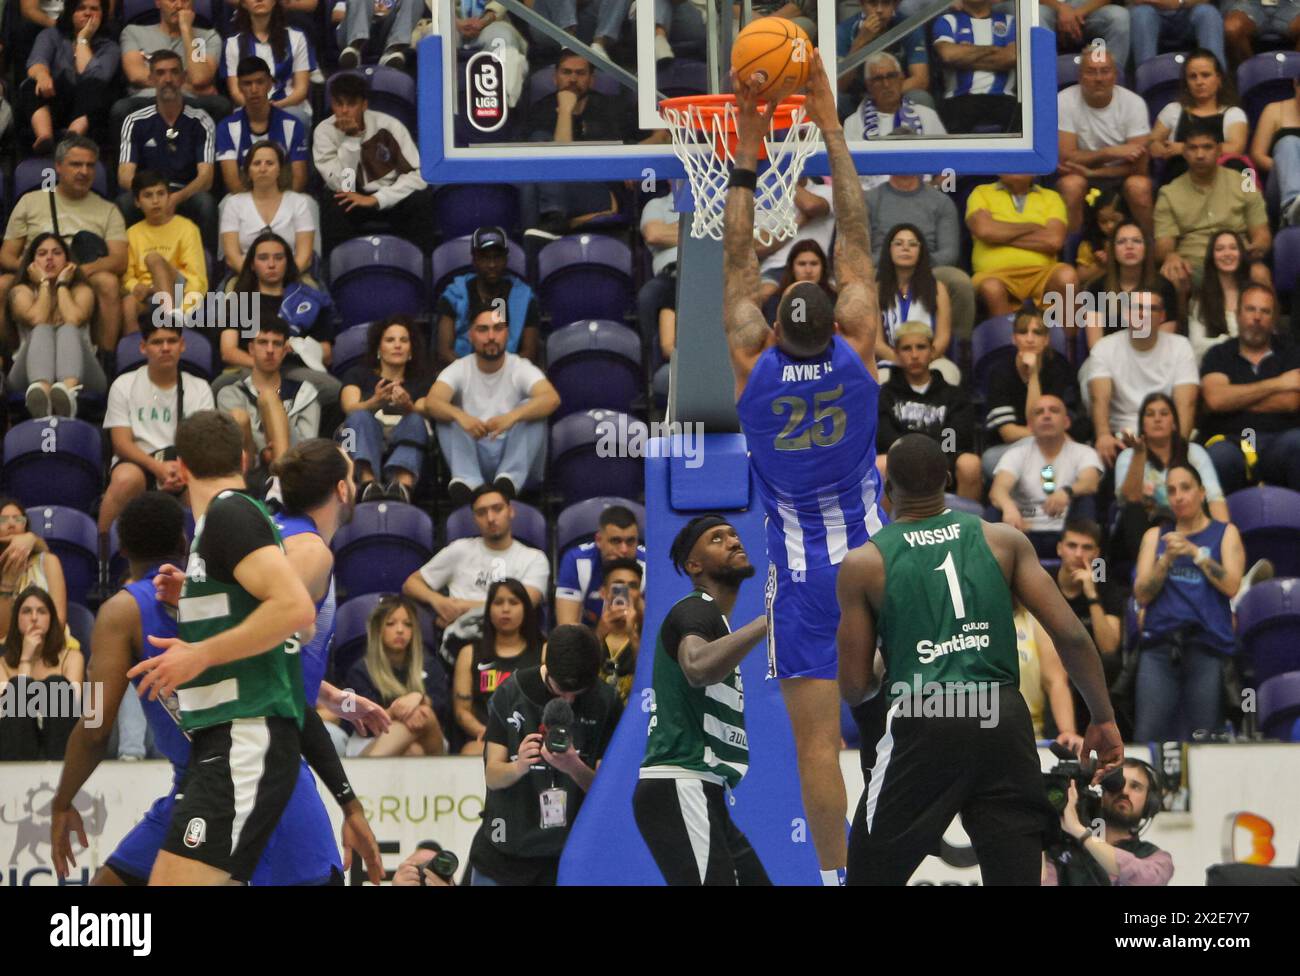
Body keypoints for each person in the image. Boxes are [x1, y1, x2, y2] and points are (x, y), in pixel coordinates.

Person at [52, 484, 386, 885]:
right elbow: (289, 687)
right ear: (183, 541)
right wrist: (349, 794)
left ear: (121, 550)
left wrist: (62, 800)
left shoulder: (121, 613)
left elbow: (93, 726)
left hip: (247, 778)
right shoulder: (237, 595)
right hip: (218, 781)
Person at [723, 59, 884, 885]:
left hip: (803, 576)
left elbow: (736, 264)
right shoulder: (859, 352)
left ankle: (831, 880)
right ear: (842, 323)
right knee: (913, 717)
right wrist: (828, 126)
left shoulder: (750, 370)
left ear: (773, 332)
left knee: (818, 748)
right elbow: (854, 239)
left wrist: (748, 150)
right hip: (879, 561)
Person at [836, 434, 1123, 885]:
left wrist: (889, 658)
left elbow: (855, 687)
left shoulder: (864, 563)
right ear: (948, 482)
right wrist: (1103, 718)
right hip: (1002, 715)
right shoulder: (1003, 540)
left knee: (869, 877)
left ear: (886, 490)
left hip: (927, 709)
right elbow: (1070, 634)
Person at [122, 410, 319, 884]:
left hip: (246, 735)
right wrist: (198, 598)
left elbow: (298, 613)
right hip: (228, 738)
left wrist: (198, 654)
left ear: (181, 469)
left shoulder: (230, 513)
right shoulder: (223, 523)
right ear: (245, 458)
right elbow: (289, 628)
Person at [633, 516, 771, 886]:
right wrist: (767, 620)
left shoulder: (716, 621)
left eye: (734, 534)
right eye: (716, 539)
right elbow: (696, 667)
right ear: (694, 565)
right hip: (679, 781)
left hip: (703, 785)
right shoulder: (696, 609)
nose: (732, 541)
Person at [468, 624, 622, 885]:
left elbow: (609, 795)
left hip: (570, 857)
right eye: (561, 689)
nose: (569, 700)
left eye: (578, 693)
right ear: (546, 664)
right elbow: (492, 775)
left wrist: (574, 766)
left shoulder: (606, 701)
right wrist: (519, 766)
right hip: (505, 855)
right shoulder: (510, 693)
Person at [1133, 463, 1243, 741]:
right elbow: (1142, 594)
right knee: (1148, 736)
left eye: (1186, 488)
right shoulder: (1155, 537)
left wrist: (1196, 553)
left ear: (1202, 492)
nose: (1179, 496)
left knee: (1204, 740)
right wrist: (1166, 560)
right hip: (1160, 646)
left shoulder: (1225, 532)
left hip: (1207, 645)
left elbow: (1231, 585)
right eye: (1171, 491)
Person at [0, 135, 127, 352]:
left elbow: (119, 260)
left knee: (108, 282)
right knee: (2, 284)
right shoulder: (30, 201)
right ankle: (8, 356)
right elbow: (6, 255)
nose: (84, 171)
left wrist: (75, 271)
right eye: (76, 164)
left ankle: (106, 358)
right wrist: (33, 270)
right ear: (58, 167)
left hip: (81, 276)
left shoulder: (109, 210)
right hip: (35, 273)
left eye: (90, 165)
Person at [427, 308, 561, 506]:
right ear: (471, 336)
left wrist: (513, 416)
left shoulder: (520, 367)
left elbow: (552, 398)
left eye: (498, 329)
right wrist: (460, 416)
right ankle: (468, 482)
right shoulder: (459, 368)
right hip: (475, 455)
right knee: (447, 412)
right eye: (482, 329)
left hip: (518, 458)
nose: (491, 336)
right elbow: (432, 401)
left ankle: (508, 481)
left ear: (507, 334)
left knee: (531, 407)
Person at [100, 318, 215, 543]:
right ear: (144, 347)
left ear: (182, 345)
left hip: (184, 465)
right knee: (125, 479)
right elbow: (121, 443)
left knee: (204, 490)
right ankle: (103, 556)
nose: (165, 348)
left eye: (172, 341)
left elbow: (203, 442)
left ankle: (202, 564)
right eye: (157, 342)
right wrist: (157, 468)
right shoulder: (124, 384)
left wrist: (181, 470)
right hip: (139, 462)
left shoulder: (199, 388)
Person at [314, 72, 435, 251]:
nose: (344, 111)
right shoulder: (324, 132)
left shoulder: (389, 126)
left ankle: (421, 265)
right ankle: (337, 267)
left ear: (364, 105)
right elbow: (344, 185)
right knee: (332, 202)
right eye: (339, 104)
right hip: (351, 195)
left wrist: (377, 199)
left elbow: (418, 176)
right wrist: (351, 140)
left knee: (421, 199)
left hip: (390, 195)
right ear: (332, 105)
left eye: (351, 104)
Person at [1153, 119, 1272, 303]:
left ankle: (1268, 330)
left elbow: (1262, 234)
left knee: (1259, 272)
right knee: (1173, 274)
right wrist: (1171, 256)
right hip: (1194, 265)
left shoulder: (1245, 183)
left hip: (1237, 258)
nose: (1200, 154)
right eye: (1193, 148)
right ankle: (1181, 331)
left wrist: (1257, 247)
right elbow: (1163, 245)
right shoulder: (1168, 193)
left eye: (1207, 147)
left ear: (1218, 150)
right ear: (1184, 152)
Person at [219, 231, 339, 410]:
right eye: (263, 258)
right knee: (219, 387)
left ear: (287, 262)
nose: (271, 264)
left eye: (278, 258)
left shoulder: (307, 299)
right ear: (252, 264)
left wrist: (301, 347)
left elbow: (327, 352)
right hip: (249, 368)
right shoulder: (239, 300)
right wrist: (264, 364)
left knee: (334, 389)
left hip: (293, 370)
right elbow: (228, 351)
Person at [404, 485, 550, 630]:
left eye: (497, 509)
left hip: (512, 640)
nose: (490, 518)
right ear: (475, 519)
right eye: (481, 512)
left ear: (511, 511)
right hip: (461, 640)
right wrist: (437, 600)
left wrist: (461, 607)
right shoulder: (459, 549)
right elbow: (411, 584)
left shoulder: (534, 558)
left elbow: (525, 604)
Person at [1199, 284, 1300, 494]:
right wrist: (1278, 383)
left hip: (1279, 439)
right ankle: (1223, 526)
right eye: (1251, 309)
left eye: (1265, 311)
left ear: (1273, 319)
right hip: (1232, 440)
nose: (1257, 317)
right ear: (1237, 314)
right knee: (1218, 456)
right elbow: (1216, 400)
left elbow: (1291, 401)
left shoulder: (1290, 351)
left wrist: (1235, 399)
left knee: (1297, 443)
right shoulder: (1218, 354)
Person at [526, 52, 636, 238]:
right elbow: (560, 160)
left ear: (592, 79)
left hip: (598, 189)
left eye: (580, 73)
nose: (573, 79)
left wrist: (631, 161)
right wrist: (565, 112)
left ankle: (555, 224)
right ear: (555, 77)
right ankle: (555, 223)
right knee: (541, 141)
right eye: (566, 72)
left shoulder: (609, 108)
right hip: (556, 187)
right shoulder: (540, 111)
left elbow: (655, 137)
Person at [1087, 288, 1199, 467]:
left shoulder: (1180, 347)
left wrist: (1180, 447)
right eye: (1136, 308)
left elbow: (1186, 404)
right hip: (1122, 438)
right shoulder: (1104, 348)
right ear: (1125, 313)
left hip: (1168, 436)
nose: (1142, 314)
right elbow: (1099, 399)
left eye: (1151, 309)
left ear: (1162, 316)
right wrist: (1103, 436)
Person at [117, 50, 217, 249]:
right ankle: (127, 267)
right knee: (125, 203)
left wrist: (175, 198)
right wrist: (153, 196)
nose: (168, 79)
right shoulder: (134, 121)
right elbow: (125, 176)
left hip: (185, 194)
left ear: (183, 78)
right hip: (149, 192)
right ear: (151, 79)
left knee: (205, 203)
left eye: (174, 72)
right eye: (161, 73)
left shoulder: (201, 120)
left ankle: (207, 269)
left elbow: (206, 178)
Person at [1114, 392, 1228, 561]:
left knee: (1202, 503)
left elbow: (1214, 498)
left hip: (1190, 523)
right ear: (1142, 424)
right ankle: (1147, 570)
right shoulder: (1128, 456)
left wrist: (1225, 538)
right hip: (1144, 529)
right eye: (1150, 414)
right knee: (1132, 510)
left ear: (1174, 423)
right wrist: (1139, 454)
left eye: (1164, 413)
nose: (1157, 419)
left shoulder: (1194, 453)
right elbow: (1129, 499)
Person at [6, 231, 106, 419]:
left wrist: (61, 285)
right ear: (31, 262)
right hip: (26, 377)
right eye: (42, 254)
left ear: (68, 260)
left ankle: (66, 395)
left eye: (57, 253)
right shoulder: (21, 291)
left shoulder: (82, 290)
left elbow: (73, 319)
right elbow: (38, 319)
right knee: (42, 328)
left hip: (84, 375)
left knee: (68, 329)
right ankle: (42, 395)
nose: (49, 259)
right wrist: (44, 283)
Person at [866, 174, 975, 344]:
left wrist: (915, 260)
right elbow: (859, 252)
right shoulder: (869, 199)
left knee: (960, 282)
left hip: (930, 266)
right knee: (858, 282)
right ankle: (866, 351)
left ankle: (959, 349)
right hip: (881, 267)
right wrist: (893, 260)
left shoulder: (941, 201)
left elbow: (950, 253)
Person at [876, 323, 982, 500]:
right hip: (901, 463)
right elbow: (884, 437)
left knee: (970, 464)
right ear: (896, 354)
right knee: (881, 463)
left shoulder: (953, 394)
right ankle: (889, 527)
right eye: (907, 348)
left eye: (921, 347)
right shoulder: (885, 395)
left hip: (944, 462)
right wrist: (914, 456)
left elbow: (958, 436)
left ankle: (966, 526)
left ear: (932, 351)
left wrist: (930, 458)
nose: (915, 355)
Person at [1055, 49, 1152, 235]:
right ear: (1080, 76)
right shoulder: (1064, 101)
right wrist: (1109, 152)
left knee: (1140, 186)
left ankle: (1150, 254)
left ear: (1115, 75)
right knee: (1071, 185)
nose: (1099, 78)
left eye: (1105, 71)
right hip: (1079, 175)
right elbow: (1065, 159)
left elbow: (1141, 168)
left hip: (1120, 175)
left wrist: (1095, 170)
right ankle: (1069, 255)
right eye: (1091, 71)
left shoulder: (1134, 103)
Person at [983, 307, 1087, 478]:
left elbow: (1062, 423)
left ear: (1046, 340)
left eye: (1037, 333)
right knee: (989, 459)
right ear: (1014, 339)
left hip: (1055, 447)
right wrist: (1033, 375)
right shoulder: (999, 372)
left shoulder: (1059, 368)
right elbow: (1009, 433)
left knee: (1090, 465)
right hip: (1015, 449)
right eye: (1023, 332)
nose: (1030, 339)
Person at [340, 315, 433, 504]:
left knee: (416, 420)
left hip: (404, 433)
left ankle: (402, 487)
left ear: (411, 351)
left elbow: (425, 409)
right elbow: (349, 407)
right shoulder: (358, 374)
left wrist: (408, 405)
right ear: (378, 349)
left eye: (404, 340)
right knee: (359, 416)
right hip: (363, 432)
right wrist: (375, 401)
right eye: (390, 340)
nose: (397, 345)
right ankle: (368, 484)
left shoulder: (422, 381)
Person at [342, 594, 450, 757]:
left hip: (428, 739)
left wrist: (418, 698)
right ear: (378, 629)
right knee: (413, 751)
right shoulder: (360, 670)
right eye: (391, 624)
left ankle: (365, 777)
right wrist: (394, 712)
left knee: (425, 714)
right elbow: (353, 722)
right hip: (372, 740)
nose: (400, 630)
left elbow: (443, 710)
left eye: (407, 624)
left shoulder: (430, 665)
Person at [216, 318, 322, 481]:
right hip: (247, 470)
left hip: (294, 473)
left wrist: (280, 445)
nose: (270, 350)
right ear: (251, 348)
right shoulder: (231, 393)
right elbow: (232, 443)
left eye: (277, 344)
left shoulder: (304, 393)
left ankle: (279, 483)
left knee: (269, 398)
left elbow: (308, 446)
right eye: (263, 342)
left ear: (285, 350)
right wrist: (265, 449)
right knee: (239, 417)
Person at [1043, 758, 1174, 884]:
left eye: (1135, 786)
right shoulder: (1062, 849)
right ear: (1102, 794)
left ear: (1149, 803)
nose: (1124, 791)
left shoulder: (1156, 858)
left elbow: (1147, 880)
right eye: (1116, 784)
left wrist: (1081, 833)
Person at [966, 175, 1078, 318]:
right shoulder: (981, 192)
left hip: (1041, 273)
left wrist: (998, 236)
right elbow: (984, 230)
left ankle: (1069, 340)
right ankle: (1008, 340)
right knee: (992, 288)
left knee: (1067, 276)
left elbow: (1054, 241)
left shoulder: (1051, 197)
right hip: (993, 274)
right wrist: (1031, 227)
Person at [990, 394, 1104, 535]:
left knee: (1087, 501)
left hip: (1067, 533)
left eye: (1054, 411)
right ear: (1030, 427)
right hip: (1024, 530)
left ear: (1066, 422)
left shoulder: (1084, 452)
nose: (1047, 416)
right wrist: (1009, 508)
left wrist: (1066, 491)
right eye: (1039, 412)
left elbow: (1090, 482)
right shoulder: (1016, 454)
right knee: (994, 511)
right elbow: (998, 491)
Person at [453, 578, 543, 755]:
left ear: (525, 608)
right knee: (470, 751)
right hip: (485, 737)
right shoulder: (469, 653)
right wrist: (487, 733)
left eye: (514, 602)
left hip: (533, 738)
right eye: (498, 602)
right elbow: (462, 711)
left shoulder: (544, 652)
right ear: (488, 610)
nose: (506, 609)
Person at [21, 0, 119, 152]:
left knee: (96, 87)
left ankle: (72, 137)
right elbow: (35, 62)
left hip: (87, 107)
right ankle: (45, 137)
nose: (87, 13)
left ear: (103, 15)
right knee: (30, 84)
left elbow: (93, 76)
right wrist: (42, 75)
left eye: (94, 9)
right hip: (55, 99)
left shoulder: (110, 47)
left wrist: (82, 39)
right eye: (81, 8)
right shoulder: (51, 35)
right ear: (71, 13)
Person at [115, 0, 228, 132]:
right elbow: (135, 75)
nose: (179, 5)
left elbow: (199, 78)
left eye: (185, 1)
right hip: (147, 100)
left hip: (190, 102)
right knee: (121, 109)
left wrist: (186, 30)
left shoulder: (208, 36)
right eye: (172, 0)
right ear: (158, 3)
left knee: (221, 105)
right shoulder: (133, 32)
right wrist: (186, 85)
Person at [435, 225, 540, 368]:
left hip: (510, 378)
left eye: (497, 257)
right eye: (485, 257)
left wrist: (499, 376)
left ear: (506, 259)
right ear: (474, 260)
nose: (492, 264)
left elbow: (529, 353)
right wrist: (474, 377)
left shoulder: (524, 297)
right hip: (463, 376)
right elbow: (444, 352)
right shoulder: (454, 294)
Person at [1054, 519, 1124, 731]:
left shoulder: (1106, 587)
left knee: (1109, 665)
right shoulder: (1044, 584)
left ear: (1096, 554)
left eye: (1086, 548)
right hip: (1053, 668)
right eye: (1072, 546)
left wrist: (1091, 594)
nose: (1078, 554)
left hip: (1092, 673)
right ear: (1059, 549)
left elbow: (1109, 647)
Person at [0, 586, 83, 761]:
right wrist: (25, 660)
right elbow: (8, 715)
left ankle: (60, 779)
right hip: (14, 746)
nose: (34, 618)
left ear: (51, 618)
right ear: (16, 619)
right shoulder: (1, 663)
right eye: (26, 611)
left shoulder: (72, 657)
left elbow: (71, 707)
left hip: (59, 741)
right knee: (16, 687)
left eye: (42, 611)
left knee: (56, 684)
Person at [122, 169, 208, 331]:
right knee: (128, 304)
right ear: (137, 202)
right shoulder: (131, 233)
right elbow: (127, 277)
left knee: (154, 259)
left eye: (161, 194)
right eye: (148, 195)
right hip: (149, 293)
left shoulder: (187, 228)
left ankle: (170, 322)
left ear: (169, 197)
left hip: (180, 290)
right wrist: (135, 287)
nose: (155, 201)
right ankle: (135, 352)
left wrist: (184, 309)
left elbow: (198, 279)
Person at [874, 223, 958, 385]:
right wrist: (904, 360)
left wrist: (922, 359)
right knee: (880, 380)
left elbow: (943, 337)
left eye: (912, 244)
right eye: (898, 244)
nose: (905, 248)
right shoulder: (876, 290)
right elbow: (877, 343)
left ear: (921, 251)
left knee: (948, 376)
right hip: (891, 360)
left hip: (932, 360)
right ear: (888, 250)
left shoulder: (938, 288)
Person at [1148, 51, 1248, 186]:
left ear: (1218, 79)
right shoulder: (1173, 110)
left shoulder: (1233, 113)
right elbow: (1152, 142)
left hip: (1222, 183)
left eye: (1205, 75)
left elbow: (1236, 148)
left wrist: (1185, 148)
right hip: (1179, 181)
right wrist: (1158, 147)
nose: (1199, 82)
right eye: (1192, 77)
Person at [215, 56, 310, 193]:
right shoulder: (226, 127)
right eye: (247, 83)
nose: (254, 89)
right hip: (243, 199)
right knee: (226, 206)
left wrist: (278, 207)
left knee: (307, 204)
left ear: (270, 84)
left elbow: (298, 179)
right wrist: (255, 209)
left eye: (260, 82)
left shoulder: (292, 124)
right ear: (239, 87)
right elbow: (232, 181)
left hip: (285, 198)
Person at [220, 142, 316, 275]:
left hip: (293, 275)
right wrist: (258, 280)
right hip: (246, 276)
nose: (263, 168)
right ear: (248, 171)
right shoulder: (233, 204)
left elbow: (304, 258)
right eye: (257, 163)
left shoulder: (298, 202)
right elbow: (232, 257)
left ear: (279, 170)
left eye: (269, 163)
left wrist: (283, 280)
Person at [1084, 220, 1179, 347]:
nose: (1129, 246)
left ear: (1146, 248)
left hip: (1153, 362)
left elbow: (1165, 344)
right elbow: (1095, 346)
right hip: (1108, 362)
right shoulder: (1096, 289)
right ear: (1113, 250)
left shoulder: (1164, 288)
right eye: (1122, 242)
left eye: (1136, 241)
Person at [931, 0, 1019, 134]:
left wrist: (965, 53)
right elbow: (948, 55)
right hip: (959, 100)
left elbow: (1010, 58)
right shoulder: (947, 20)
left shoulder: (1010, 21)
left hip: (1004, 100)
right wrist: (993, 49)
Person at [223, 0, 316, 127]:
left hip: (288, 105)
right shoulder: (232, 44)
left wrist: (276, 106)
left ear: (275, 2)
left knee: (298, 118)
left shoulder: (297, 38)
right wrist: (260, 108)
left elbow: (301, 89)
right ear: (244, 3)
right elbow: (235, 92)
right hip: (249, 107)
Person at [555, 503, 644, 627]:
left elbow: (657, 630)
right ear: (599, 540)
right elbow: (566, 629)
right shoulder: (576, 561)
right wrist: (601, 632)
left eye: (630, 541)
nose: (624, 550)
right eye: (615, 541)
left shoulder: (650, 564)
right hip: (587, 641)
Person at [1013, 601, 1082, 748]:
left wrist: (1067, 731)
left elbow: (1055, 681)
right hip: (976, 729)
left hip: (1029, 735)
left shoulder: (1033, 621)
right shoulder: (965, 619)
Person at [0, 499, 69, 641]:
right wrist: (7, 583)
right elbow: (1, 633)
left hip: (48, 645)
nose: (12, 524)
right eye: (3, 520)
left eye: (18, 519)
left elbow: (59, 622)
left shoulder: (48, 561)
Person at [837, 0, 931, 101]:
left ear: (895, 5)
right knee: (838, 101)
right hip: (859, 97)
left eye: (886, 3)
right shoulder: (843, 31)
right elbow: (839, 85)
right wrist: (859, 42)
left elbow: (921, 80)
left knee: (921, 98)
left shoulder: (909, 25)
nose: (879, 10)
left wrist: (883, 95)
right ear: (862, 4)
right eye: (873, 4)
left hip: (898, 94)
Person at [844, 53, 946, 142]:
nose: (886, 84)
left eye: (891, 76)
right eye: (878, 79)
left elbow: (943, 157)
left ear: (901, 78)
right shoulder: (852, 124)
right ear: (868, 85)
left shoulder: (927, 116)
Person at [1187, 230, 1252, 364]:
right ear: (1212, 256)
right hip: (1217, 369)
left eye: (1233, 248)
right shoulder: (1200, 300)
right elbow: (1196, 347)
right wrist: (1231, 342)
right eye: (1220, 249)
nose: (1227, 253)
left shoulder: (1254, 293)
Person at [1249, 78, 1300, 229]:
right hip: (1279, 184)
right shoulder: (1274, 110)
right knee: (1288, 142)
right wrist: (1288, 167)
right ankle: (1293, 206)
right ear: (1296, 85)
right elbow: (1257, 155)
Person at [592, 557, 643, 706]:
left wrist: (632, 635)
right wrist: (599, 634)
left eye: (633, 586)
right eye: (618, 586)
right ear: (603, 592)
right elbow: (578, 673)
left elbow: (650, 678)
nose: (625, 592)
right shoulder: (590, 635)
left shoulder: (648, 636)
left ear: (639, 594)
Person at [1129, 0, 1226, 71]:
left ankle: (1216, 81)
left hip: (1190, 11)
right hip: (1152, 12)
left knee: (1208, 13)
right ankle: (1147, 83)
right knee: (1141, 15)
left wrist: (1180, 2)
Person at [336, 0, 423, 69]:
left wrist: (387, 14)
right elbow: (336, 15)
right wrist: (369, 11)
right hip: (350, 35)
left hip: (384, 37)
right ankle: (354, 50)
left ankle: (392, 52)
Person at [1224, 0, 1300, 67]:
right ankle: (1252, 76)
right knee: (1232, 29)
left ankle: (1294, 75)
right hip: (1249, 4)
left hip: (1292, 5)